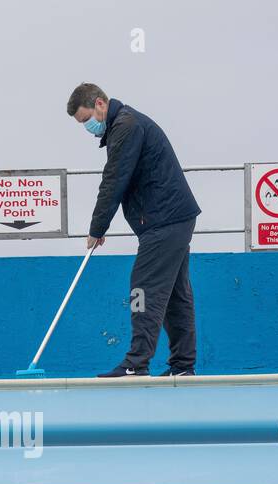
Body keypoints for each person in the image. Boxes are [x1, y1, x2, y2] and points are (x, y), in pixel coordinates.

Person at [67, 83, 202, 377]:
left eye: (86, 119)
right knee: (176, 294)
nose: (87, 127)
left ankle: (136, 363)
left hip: (164, 221)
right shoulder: (126, 123)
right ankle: (182, 366)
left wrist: (97, 227)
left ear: (101, 104)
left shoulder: (126, 127)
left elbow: (114, 179)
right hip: (172, 219)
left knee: (143, 287)